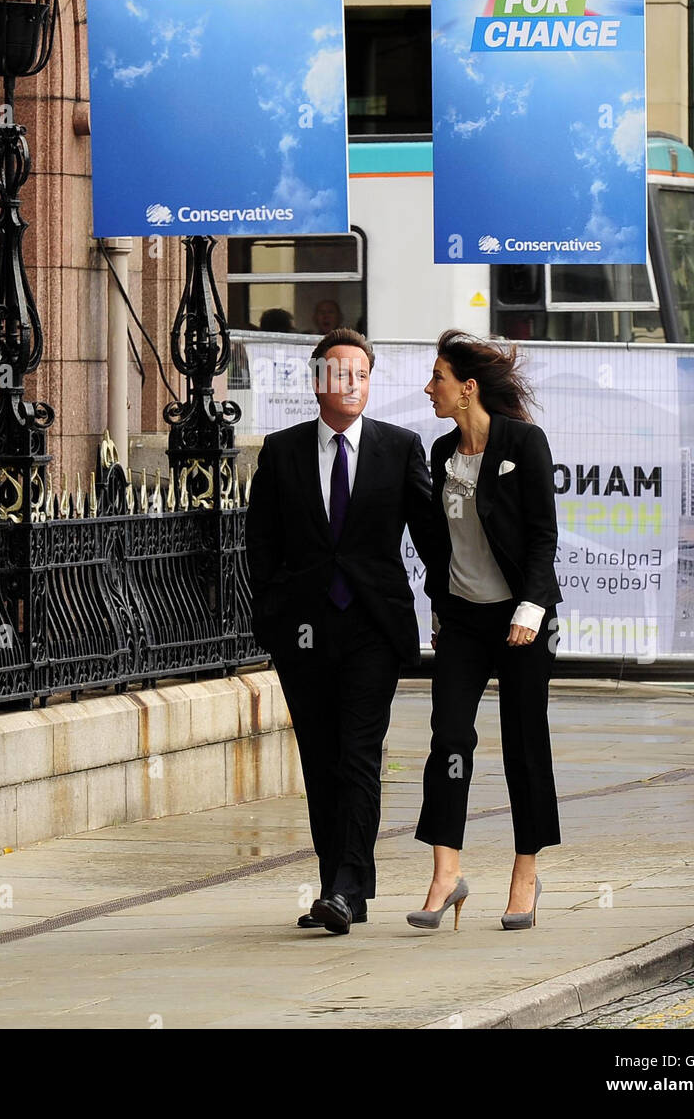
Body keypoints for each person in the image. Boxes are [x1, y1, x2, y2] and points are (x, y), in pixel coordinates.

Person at [245, 328, 437, 934]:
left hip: (371, 630)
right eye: (338, 373)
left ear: (369, 382)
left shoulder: (399, 448)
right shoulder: (282, 451)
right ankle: (338, 883)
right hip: (303, 633)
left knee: (358, 755)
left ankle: (347, 890)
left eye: (360, 374)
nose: (350, 384)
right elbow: (260, 546)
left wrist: (455, 609)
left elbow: (432, 538)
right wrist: (275, 618)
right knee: (320, 758)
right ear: (317, 382)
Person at [408, 330, 562, 933]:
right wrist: (442, 608)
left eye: (438, 378)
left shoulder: (525, 443)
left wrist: (530, 609)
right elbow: (443, 543)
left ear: (467, 388)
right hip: (466, 619)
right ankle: (447, 872)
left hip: (523, 618)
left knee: (524, 743)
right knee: (448, 736)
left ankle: (525, 873)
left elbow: (544, 536)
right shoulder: (442, 451)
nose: (429, 388)